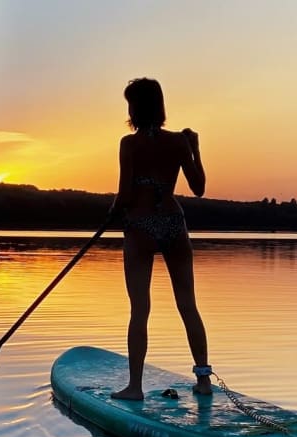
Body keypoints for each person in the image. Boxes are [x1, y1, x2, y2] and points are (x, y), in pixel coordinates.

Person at [110, 78, 212, 401]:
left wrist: (113, 213)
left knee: (140, 309)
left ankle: (135, 387)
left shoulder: (129, 144)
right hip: (173, 224)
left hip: (140, 228)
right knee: (188, 306)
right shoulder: (179, 143)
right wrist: (194, 149)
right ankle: (204, 381)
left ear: (135, 109)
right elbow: (198, 187)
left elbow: (125, 195)